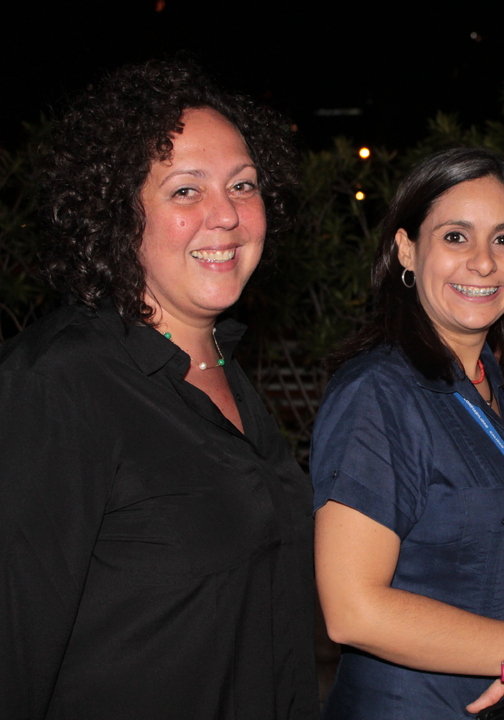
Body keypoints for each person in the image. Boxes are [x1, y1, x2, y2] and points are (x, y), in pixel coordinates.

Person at [0, 61, 318, 718]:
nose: (225, 215)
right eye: (185, 191)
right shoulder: (58, 384)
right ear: (118, 212)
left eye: (243, 185)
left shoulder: (229, 373)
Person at [311, 147, 504, 720]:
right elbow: (352, 607)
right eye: (456, 237)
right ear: (406, 250)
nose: (484, 263)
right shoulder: (379, 392)